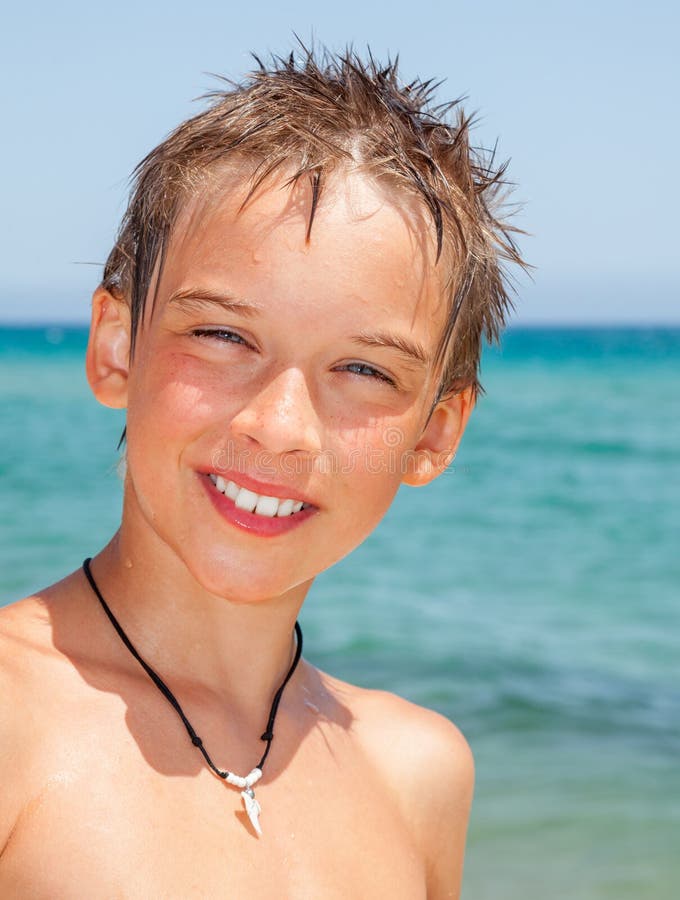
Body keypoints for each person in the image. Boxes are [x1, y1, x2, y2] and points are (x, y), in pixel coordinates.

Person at [0, 48, 524, 898]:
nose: (279, 427)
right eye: (223, 335)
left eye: (364, 370)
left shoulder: (417, 774)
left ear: (435, 433)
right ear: (114, 348)